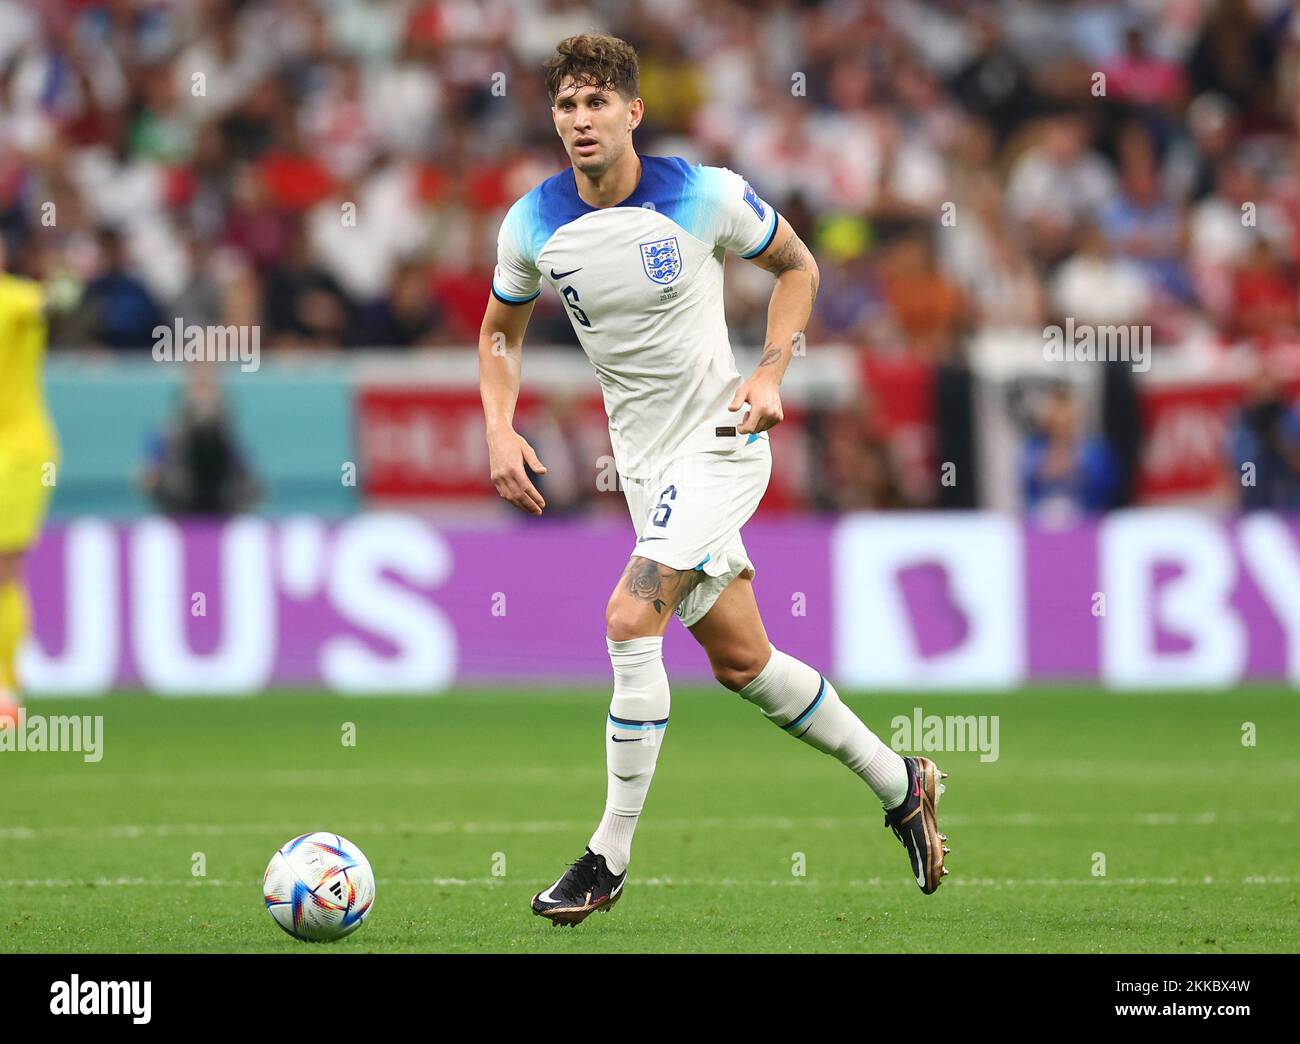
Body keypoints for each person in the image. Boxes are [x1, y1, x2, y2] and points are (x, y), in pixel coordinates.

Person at [478, 34, 950, 927]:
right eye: (567, 105)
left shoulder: (704, 193)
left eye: (597, 102)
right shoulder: (531, 223)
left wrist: (769, 371)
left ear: (633, 112)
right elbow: (500, 332)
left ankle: (607, 858)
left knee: (629, 619)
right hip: (647, 467)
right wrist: (499, 427)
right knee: (743, 663)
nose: (581, 119)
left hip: (724, 441)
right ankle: (903, 783)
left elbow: (798, 268)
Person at [0, 239, 59, 724]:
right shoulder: (21, 298)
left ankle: (5, 686)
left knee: (5, 568)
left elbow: (53, 303)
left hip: (18, 454)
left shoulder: (15, 299)